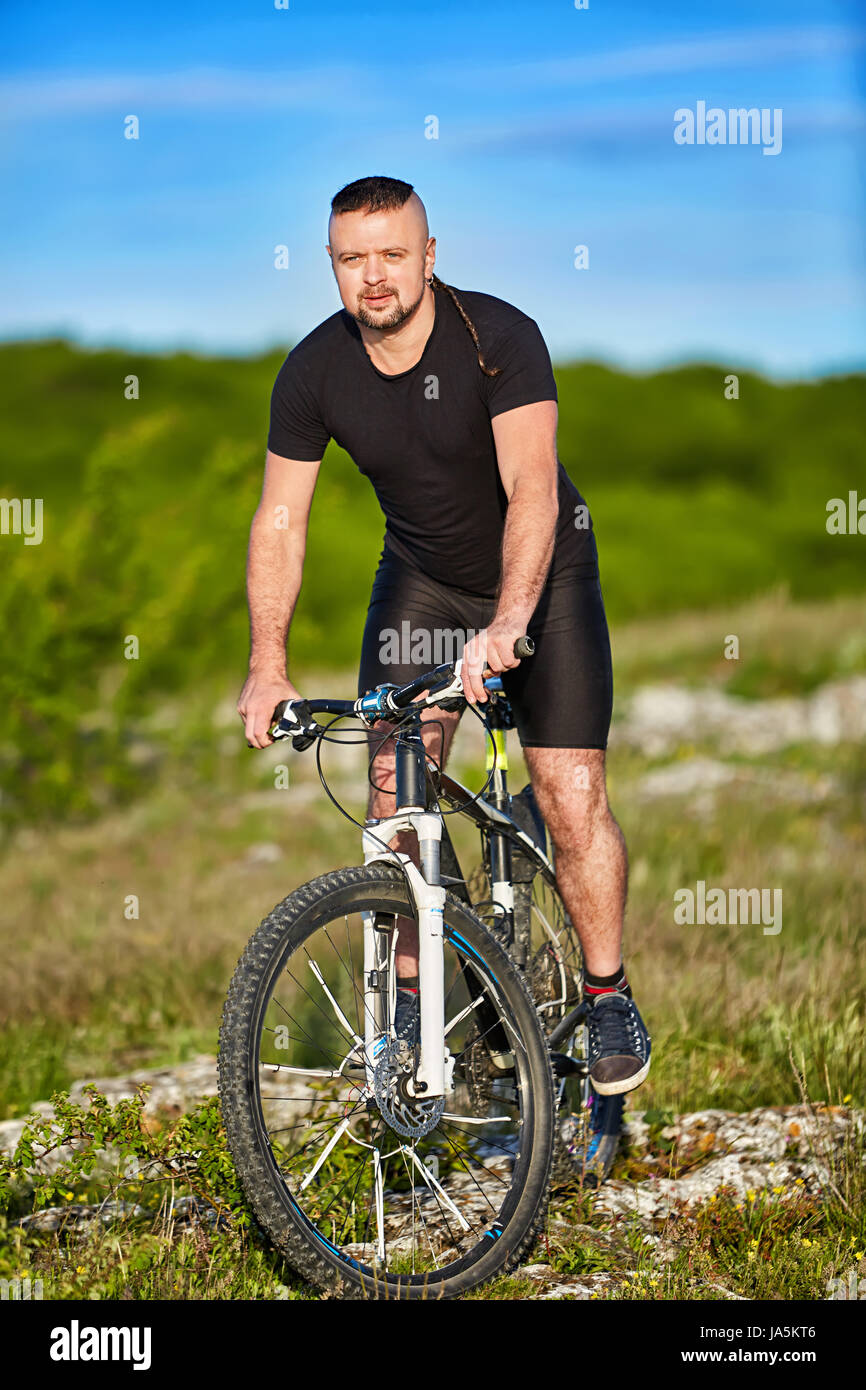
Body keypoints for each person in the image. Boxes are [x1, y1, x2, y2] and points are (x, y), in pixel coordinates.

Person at [238, 174, 650, 1096]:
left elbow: (534, 492)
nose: (373, 276)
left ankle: (608, 988)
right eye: (352, 259)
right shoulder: (313, 371)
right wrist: (268, 664)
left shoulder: (500, 340)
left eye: (392, 253)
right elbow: (279, 521)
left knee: (570, 791)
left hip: (541, 575)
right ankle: (428, 1017)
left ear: (430, 255)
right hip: (422, 582)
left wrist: (509, 621)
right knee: (394, 797)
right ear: (332, 267)